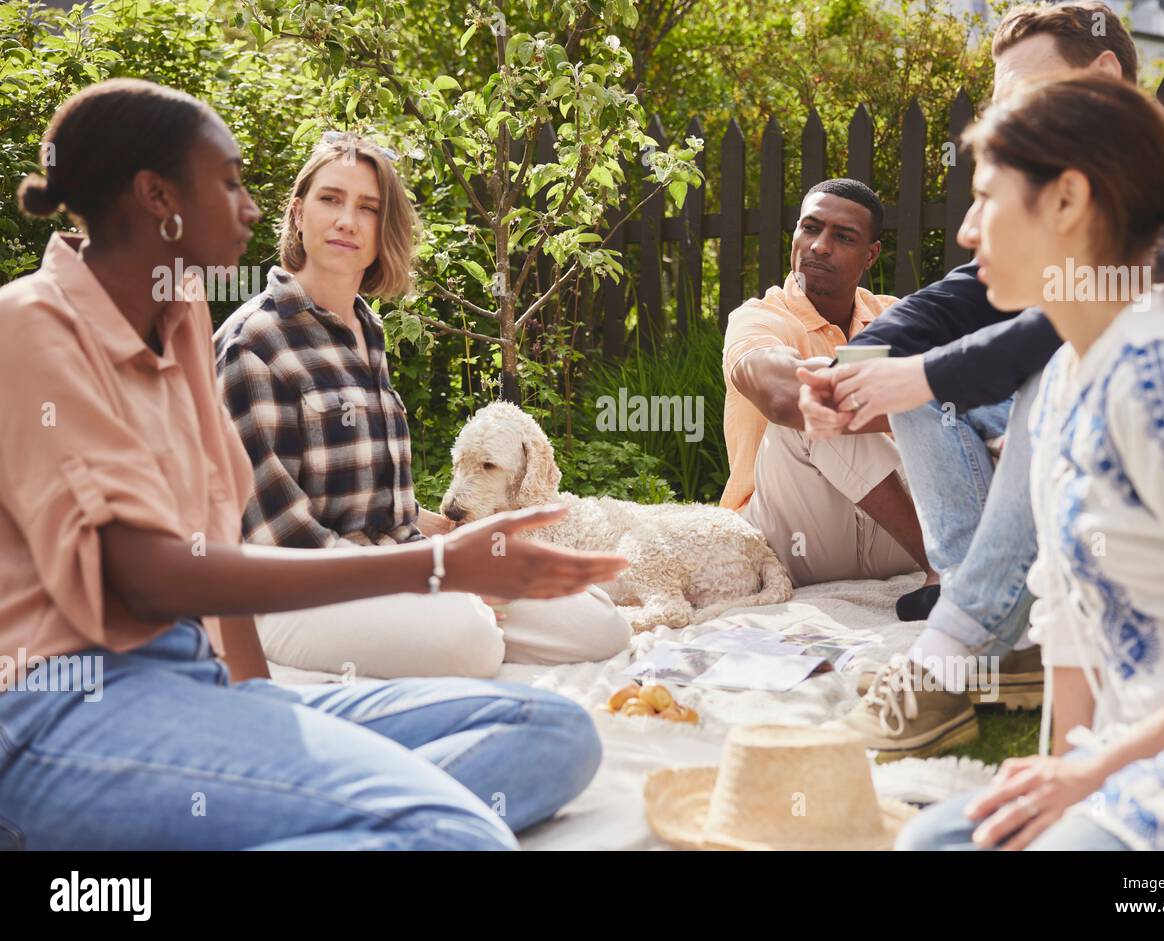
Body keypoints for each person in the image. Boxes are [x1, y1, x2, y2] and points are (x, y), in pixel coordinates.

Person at [0, 78, 627, 850]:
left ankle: (279, 818)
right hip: (65, 714)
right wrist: (435, 567)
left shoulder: (181, 316)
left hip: (194, 688)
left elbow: (215, 540)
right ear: (156, 195)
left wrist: (260, 711)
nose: (256, 205)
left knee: (553, 727)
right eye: (228, 182)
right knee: (459, 835)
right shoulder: (31, 326)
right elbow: (151, 573)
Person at [801, 1, 1164, 759]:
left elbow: (1102, 315)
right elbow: (964, 292)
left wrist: (925, 372)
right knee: (930, 391)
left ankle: (955, 649)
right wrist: (851, 369)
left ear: (1103, 75)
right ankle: (998, 629)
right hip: (1113, 395)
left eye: (1028, 96)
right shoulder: (1063, 191)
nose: (1013, 117)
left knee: (1045, 368)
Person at [892, 72, 1164, 850]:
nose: (969, 229)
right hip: (1137, 764)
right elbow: (1070, 627)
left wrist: (1089, 776)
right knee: (934, 842)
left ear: (1069, 200)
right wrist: (1057, 779)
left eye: (986, 198)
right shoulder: (1073, 378)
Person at [214, 132, 631, 679]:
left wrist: (452, 540)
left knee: (599, 625)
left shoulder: (367, 330)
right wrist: (434, 574)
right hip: (297, 590)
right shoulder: (255, 344)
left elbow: (377, 504)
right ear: (297, 212)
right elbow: (281, 536)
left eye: (369, 208)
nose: (347, 221)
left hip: (395, 558)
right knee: (471, 640)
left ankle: (454, 627)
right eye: (330, 199)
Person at [721, 178, 936, 601]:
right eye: (810, 228)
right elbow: (785, 398)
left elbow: (964, 394)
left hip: (894, 537)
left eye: (843, 236)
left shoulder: (893, 316)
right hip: (795, 539)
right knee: (812, 400)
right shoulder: (758, 318)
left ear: (870, 254)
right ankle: (945, 567)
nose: (819, 245)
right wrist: (913, 402)